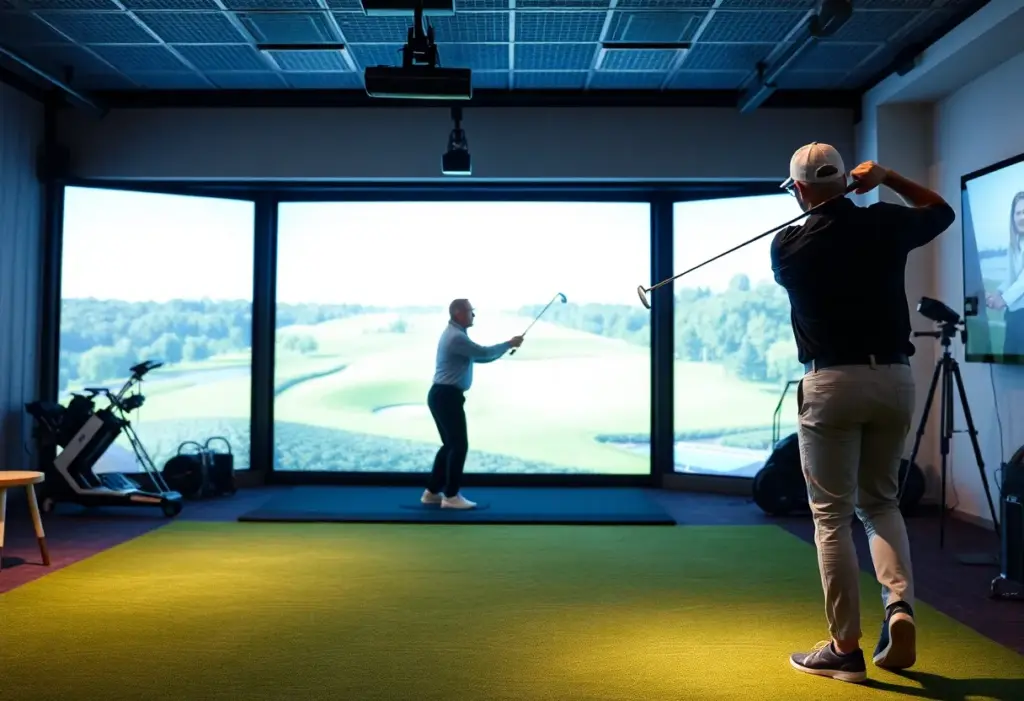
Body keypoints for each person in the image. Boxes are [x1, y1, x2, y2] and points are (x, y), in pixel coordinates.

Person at [770, 143, 955, 683]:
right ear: (850, 180)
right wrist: (890, 176)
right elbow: (939, 211)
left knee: (832, 518)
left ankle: (844, 648)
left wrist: (835, 200)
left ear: (799, 190)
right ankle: (899, 608)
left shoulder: (787, 246)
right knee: (882, 502)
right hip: (893, 379)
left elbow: (824, 227)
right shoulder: (883, 223)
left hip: (831, 383)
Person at [420, 299, 523, 510]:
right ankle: (450, 496)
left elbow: (481, 358)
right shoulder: (456, 337)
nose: (473, 315)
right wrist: (509, 344)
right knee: (458, 445)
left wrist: (505, 348)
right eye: (470, 311)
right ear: (458, 314)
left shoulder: (457, 334)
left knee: (450, 445)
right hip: (446, 396)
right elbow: (483, 353)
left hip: (442, 395)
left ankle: (432, 492)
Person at [985, 191, 1024, 356]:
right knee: (1009, 359)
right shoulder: (1014, 244)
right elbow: (1010, 277)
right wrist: (998, 293)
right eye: (1018, 213)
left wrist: (1003, 299)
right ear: (1013, 217)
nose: (1022, 217)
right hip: (1014, 315)